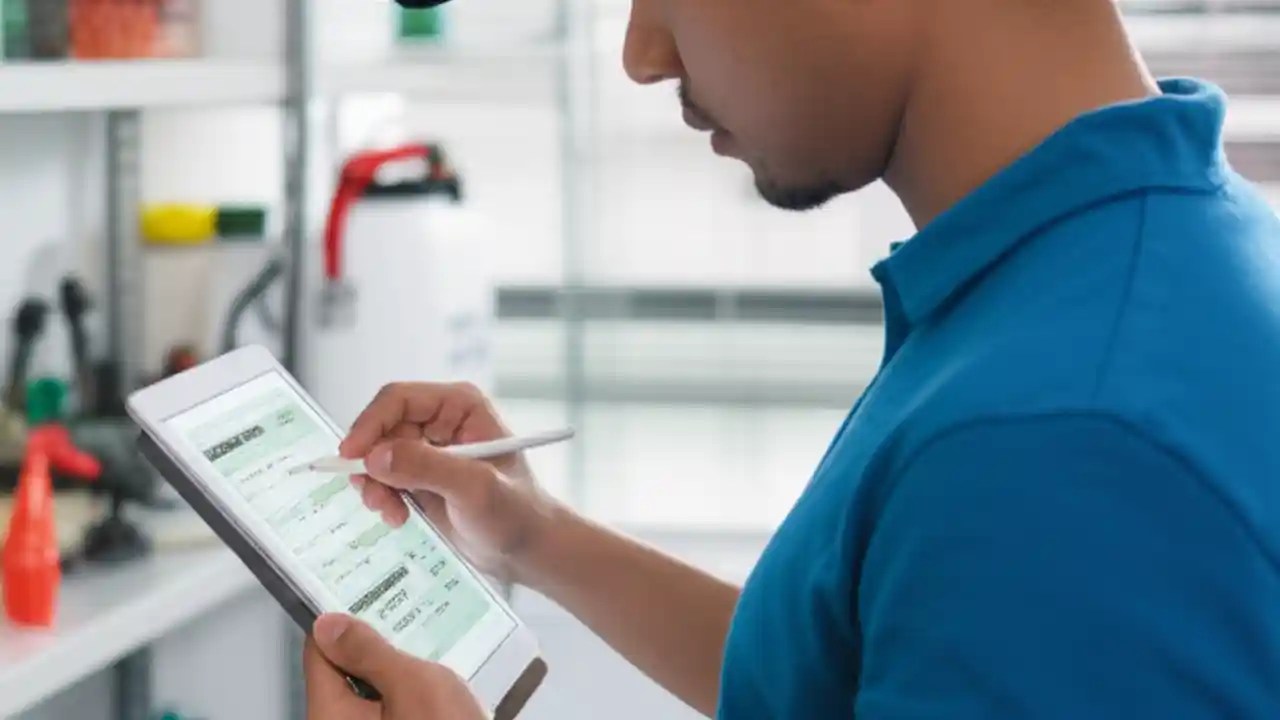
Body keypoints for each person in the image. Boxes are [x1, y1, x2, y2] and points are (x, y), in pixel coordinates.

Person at [307, 0, 1280, 717]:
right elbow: (851, 669)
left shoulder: (1059, 440)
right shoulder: (1117, 263)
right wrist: (532, 536)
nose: (642, 54)